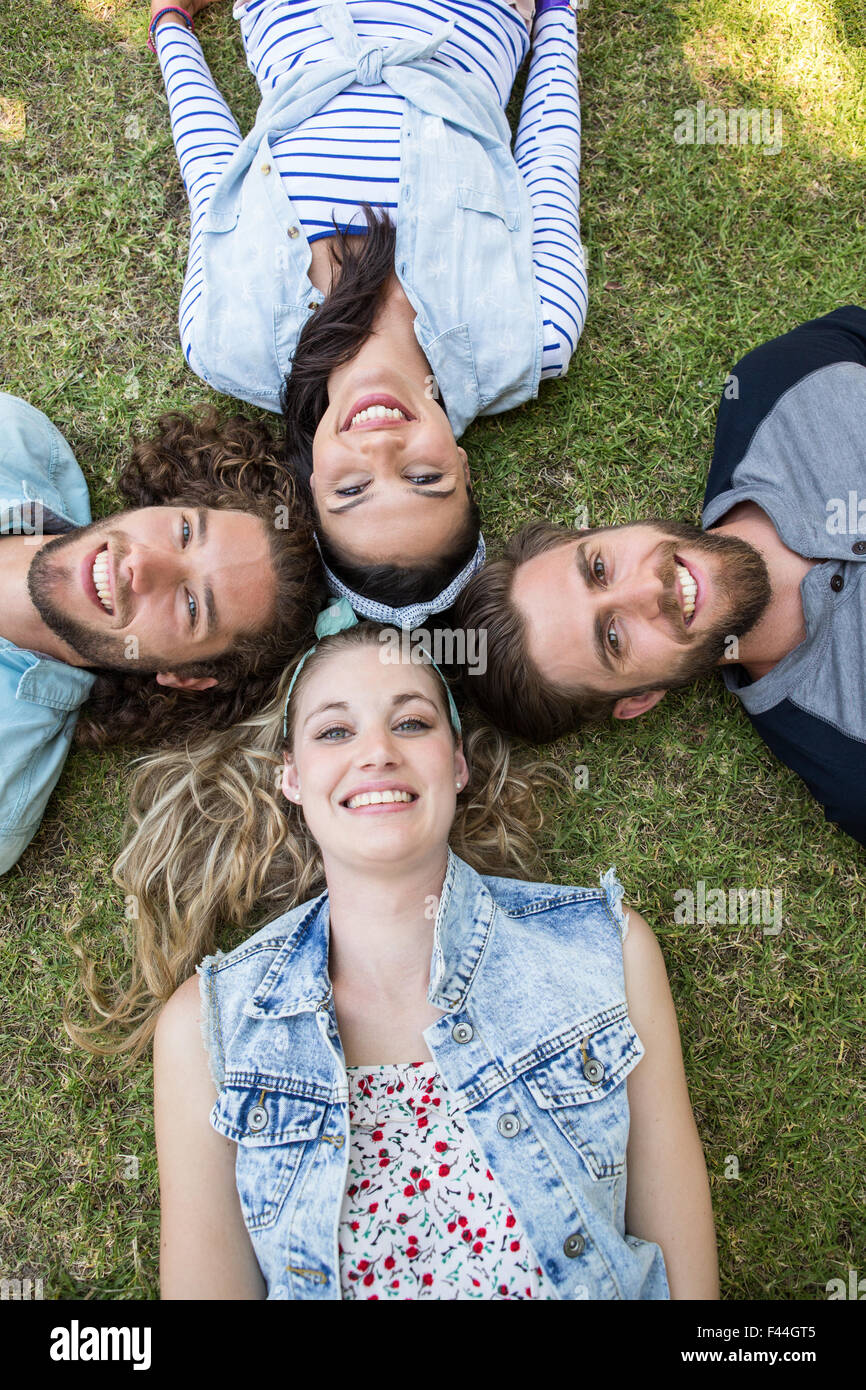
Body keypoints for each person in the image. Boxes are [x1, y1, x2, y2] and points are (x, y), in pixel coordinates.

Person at [104, 607, 717, 1299]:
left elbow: (684, 1275)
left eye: (412, 722)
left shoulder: (604, 950)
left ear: (456, 764)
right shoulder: (210, 1029)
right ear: (292, 778)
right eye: (335, 730)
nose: (377, 753)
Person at [147, 0, 587, 616]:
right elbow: (549, 164)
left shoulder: (224, 343)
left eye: (351, 489)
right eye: (425, 480)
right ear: (463, 467)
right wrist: (558, 15)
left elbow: (216, 177)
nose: (382, 450)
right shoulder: (531, 336)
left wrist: (170, 27)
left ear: (313, 483)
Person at [455, 305, 866, 847]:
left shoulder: (781, 384)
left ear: (602, 530)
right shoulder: (853, 765)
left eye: (600, 568)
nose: (651, 589)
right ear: (639, 699)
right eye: (613, 636)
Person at [0, 392, 324, 874]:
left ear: (184, 676)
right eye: (186, 533)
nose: (142, 566)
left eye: (192, 606)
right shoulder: (14, 441)